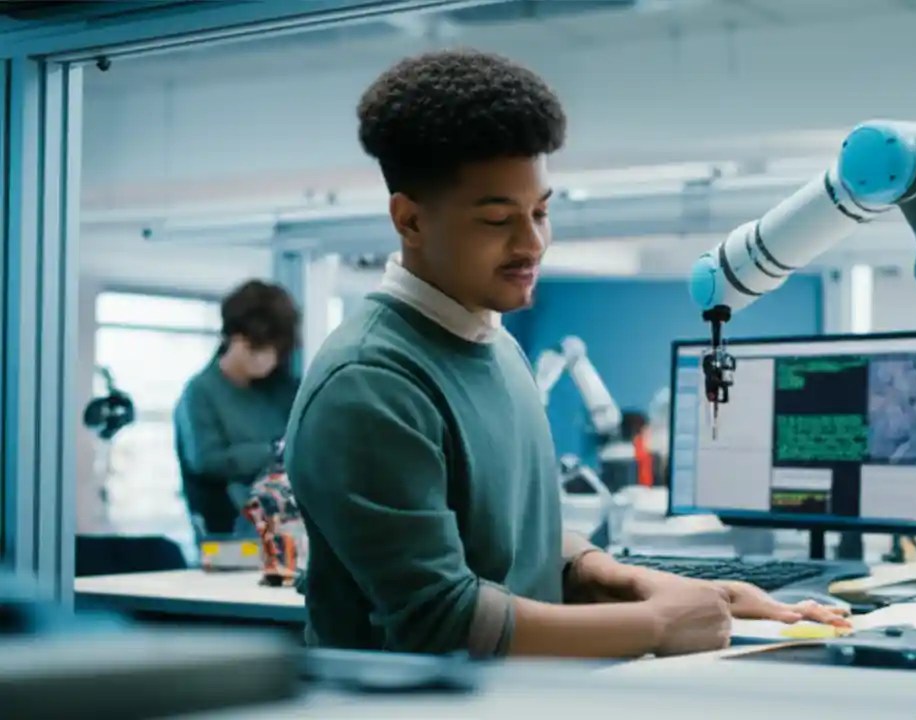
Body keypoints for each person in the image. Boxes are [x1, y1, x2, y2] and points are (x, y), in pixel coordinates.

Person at [284, 48, 848, 660]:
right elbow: (440, 621)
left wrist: (643, 583)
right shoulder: (370, 383)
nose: (532, 243)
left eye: (542, 211)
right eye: (498, 218)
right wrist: (658, 625)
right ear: (411, 221)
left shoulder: (497, 347)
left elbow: (510, 539)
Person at [175, 280, 300, 538]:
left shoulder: (283, 389)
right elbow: (207, 461)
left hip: (286, 531)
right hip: (228, 536)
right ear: (231, 336)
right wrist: (274, 452)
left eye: (273, 351)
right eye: (255, 348)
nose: (264, 359)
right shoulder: (200, 393)